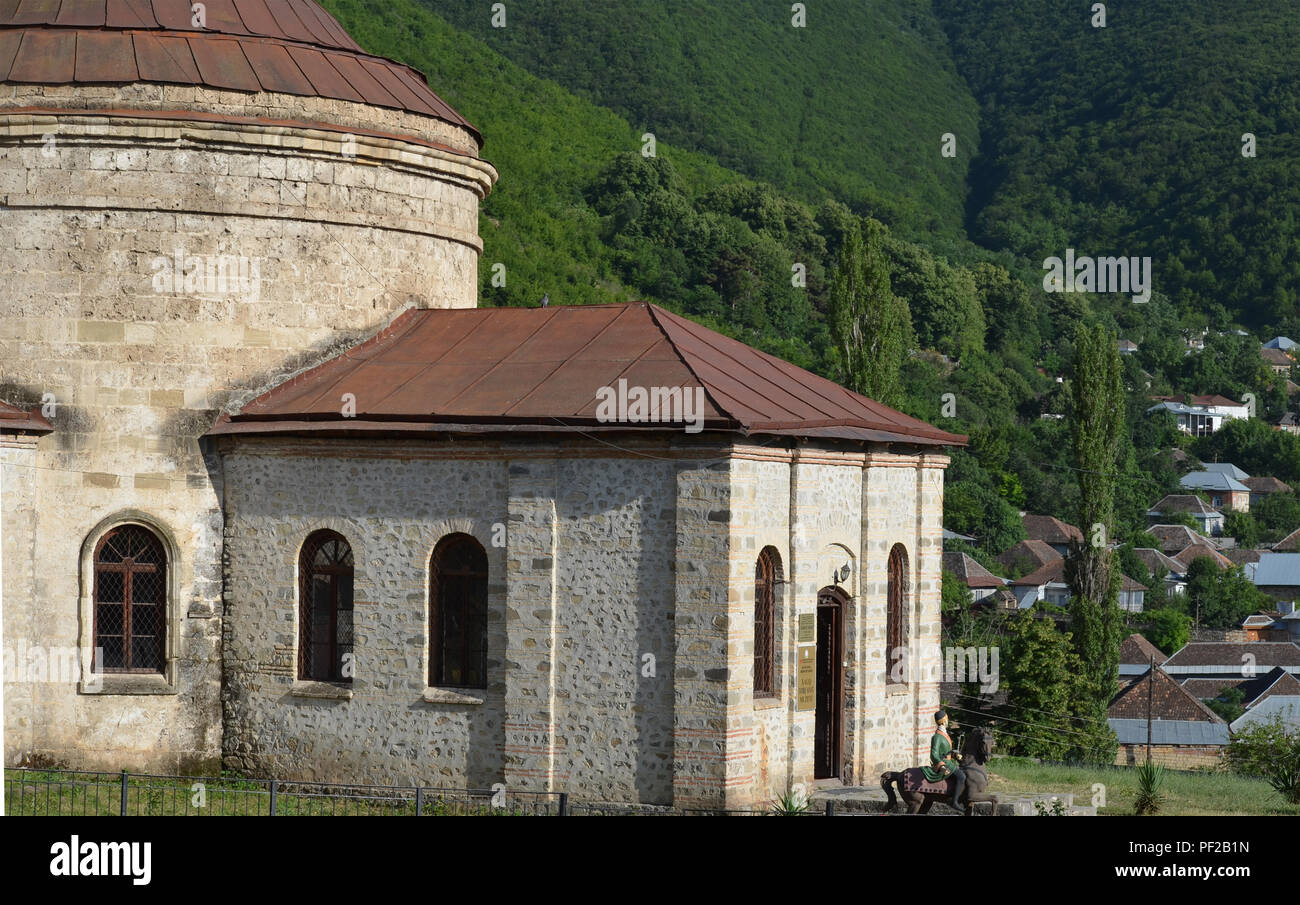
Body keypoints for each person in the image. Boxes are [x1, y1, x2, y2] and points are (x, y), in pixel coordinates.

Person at [921, 710, 966, 810]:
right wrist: (941, 766)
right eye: (947, 719)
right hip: (944, 764)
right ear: (944, 721)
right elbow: (934, 754)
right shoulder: (937, 737)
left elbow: (946, 752)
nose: (948, 721)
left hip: (948, 761)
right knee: (961, 776)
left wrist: (954, 755)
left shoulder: (944, 734)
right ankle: (954, 802)